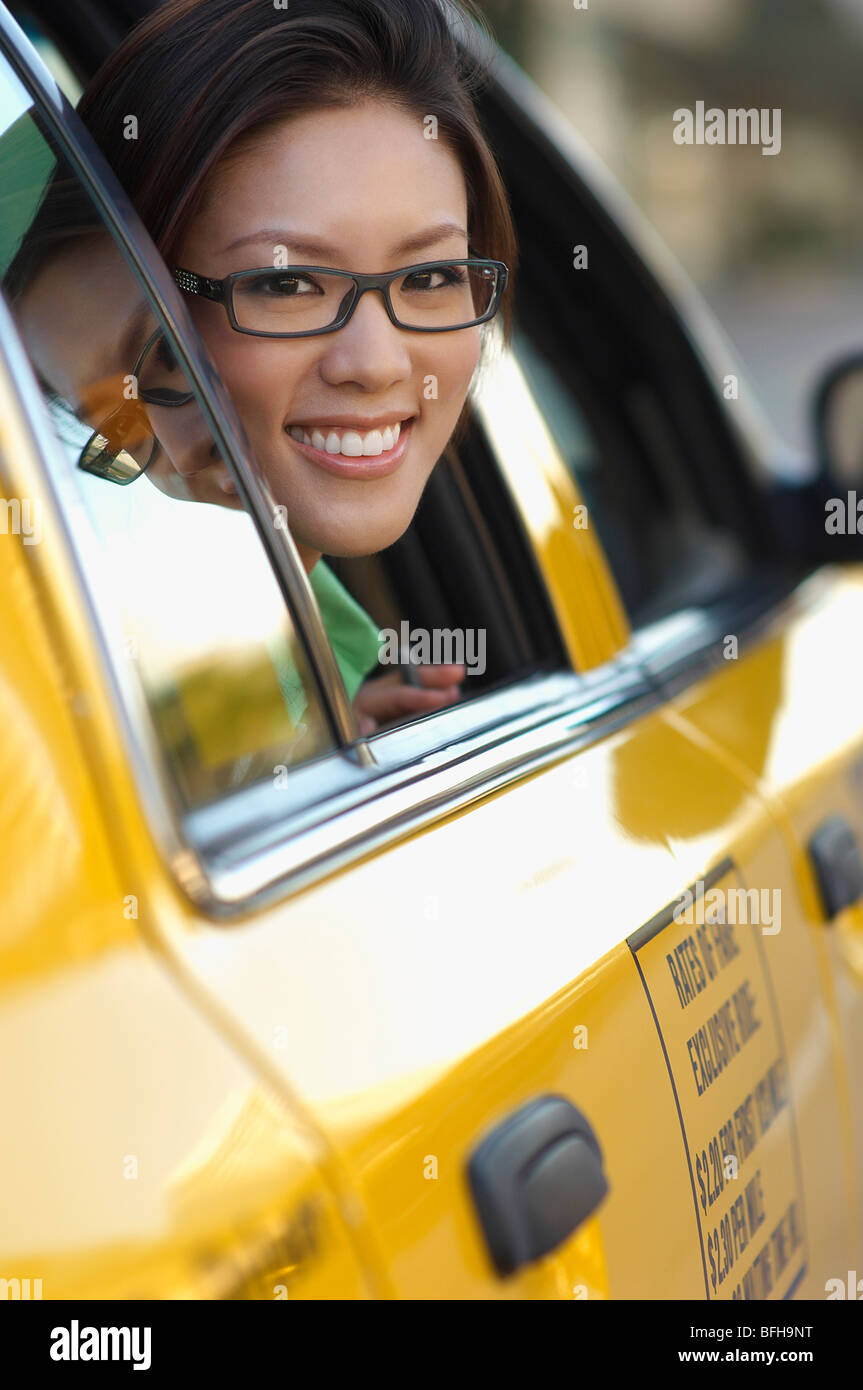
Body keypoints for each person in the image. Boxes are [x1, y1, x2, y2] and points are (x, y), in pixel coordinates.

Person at [20, 0, 518, 733]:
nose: (375, 363)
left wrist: (319, 731)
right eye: (285, 284)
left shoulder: (292, 635)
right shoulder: (75, 654)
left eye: (429, 276)